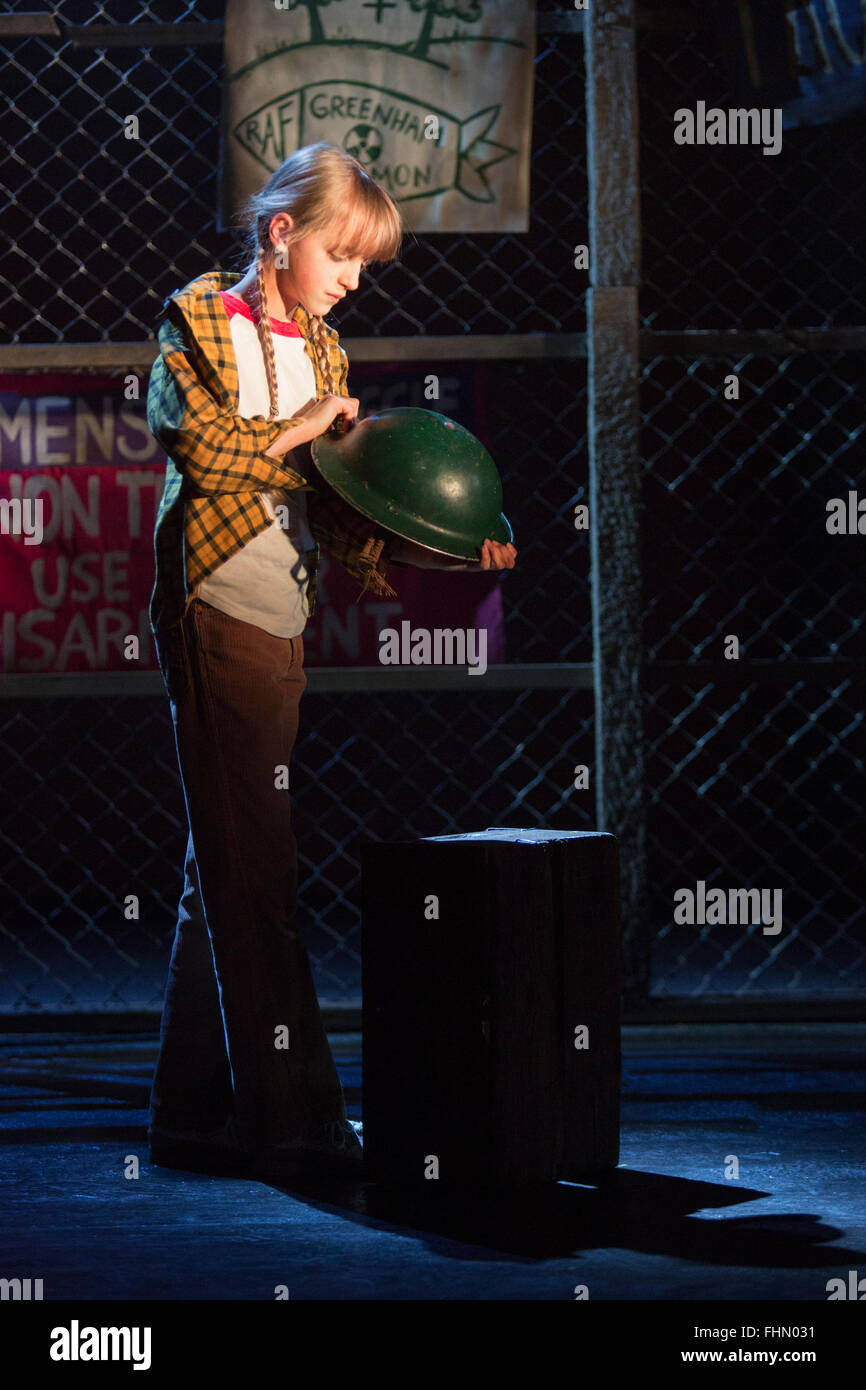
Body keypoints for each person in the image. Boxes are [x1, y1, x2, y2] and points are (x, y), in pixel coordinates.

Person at [145, 142, 516, 1184]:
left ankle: (188, 1111)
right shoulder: (196, 320)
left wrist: (452, 546)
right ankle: (287, 1119)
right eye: (342, 257)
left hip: (282, 615)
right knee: (256, 868)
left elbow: (345, 511)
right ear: (280, 235)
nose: (353, 280)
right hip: (214, 607)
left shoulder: (324, 351)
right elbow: (200, 452)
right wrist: (303, 428)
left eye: (363, 265)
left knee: (220, 863)